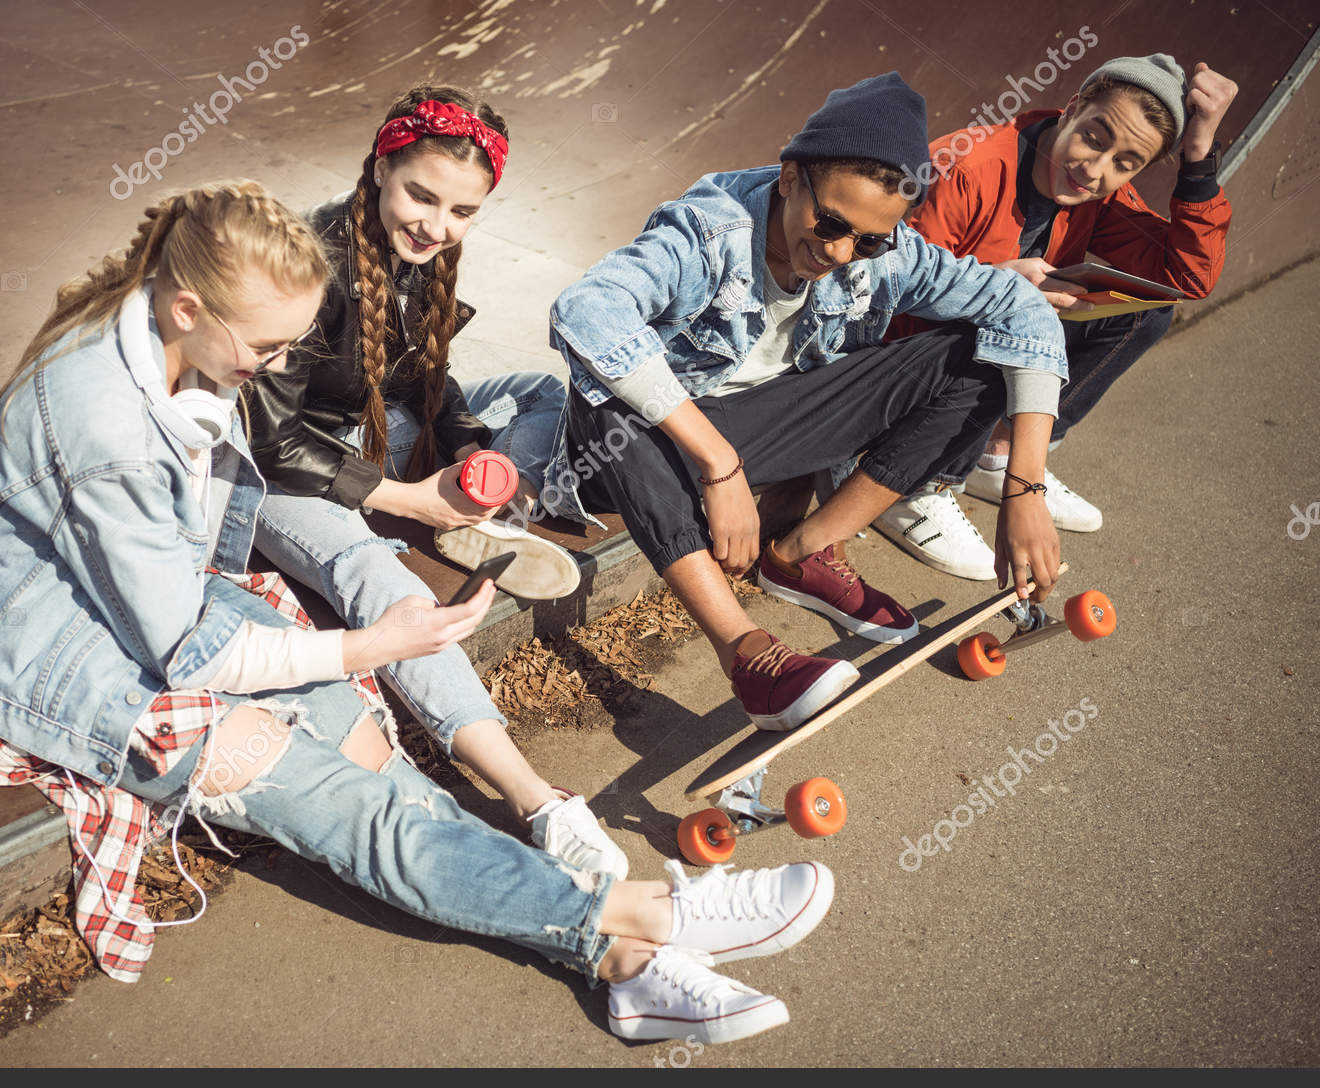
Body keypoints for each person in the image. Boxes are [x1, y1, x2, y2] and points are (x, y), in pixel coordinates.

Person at [0, 179, 834, 1044]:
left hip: (165, 604)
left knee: (371, 756)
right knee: (348, 808)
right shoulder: (105, 423)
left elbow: (178, 580)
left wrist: (363, 638)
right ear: (188, 308)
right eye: (267, 347)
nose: (272, 369)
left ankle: (625, 967)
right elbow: (191, 655)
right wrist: (369, 644)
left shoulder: (170, 339)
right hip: (75, 667)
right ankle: (647, 913)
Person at [548, 73, 1067, 733]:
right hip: (643, 455)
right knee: (605, 391)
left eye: (871, 240)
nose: (841, 254)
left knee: (975, 355)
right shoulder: (710, 230)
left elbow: (1023, 310)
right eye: (832, 225)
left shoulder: (886, 255)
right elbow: (586, 311)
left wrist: (1026, 488)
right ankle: (746, 654)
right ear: (791, 177)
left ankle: (801, 551)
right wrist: (718, 463)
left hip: (765, 435)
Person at [239, 84, 628, 878]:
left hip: (378, 427)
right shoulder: (311, 261)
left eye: (462, 212)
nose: (436, 225)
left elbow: (429, 379)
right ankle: (538, 801)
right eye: (421, 195)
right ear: (382, 165)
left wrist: (470, 456)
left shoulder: (422, 252)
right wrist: (409, 497)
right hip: (280, 466)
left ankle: (485, 513)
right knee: (367, 569)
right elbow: (269, 436)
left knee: (547, 393)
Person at [873, 55, 1237, 578]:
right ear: (1072, 109)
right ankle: (908, 484)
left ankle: (998, 456)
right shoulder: (969, 166)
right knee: (1010, 325)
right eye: (1095, 136)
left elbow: (1185, 278)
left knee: (1144, 311)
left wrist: (1199, 159)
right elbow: (882, 290)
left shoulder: (1099, 194)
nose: (1095, 168)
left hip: (970, 346)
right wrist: (995, 286)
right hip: (890, 362)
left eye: (1126, 162)